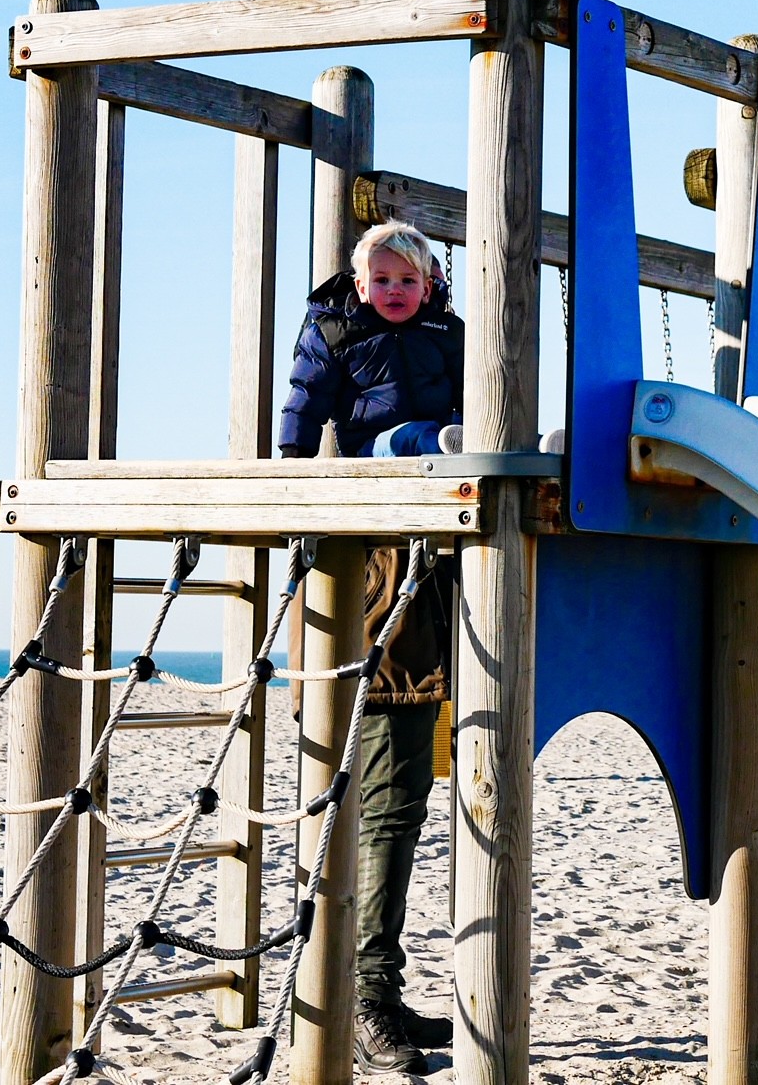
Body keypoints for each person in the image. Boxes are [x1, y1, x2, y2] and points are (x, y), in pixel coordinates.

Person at [278, 219, 461, 1075]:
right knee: (387, 798)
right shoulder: (336, 332)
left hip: (441, 551)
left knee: (410, 797)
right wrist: (290, 473)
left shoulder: (446, 334)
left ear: (429, 284)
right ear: (359, 285)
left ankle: (376, 987)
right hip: (386, 559)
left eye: (408, 280)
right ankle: (366, 996)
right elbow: (303, 405)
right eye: (379, 280)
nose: (393, 291)